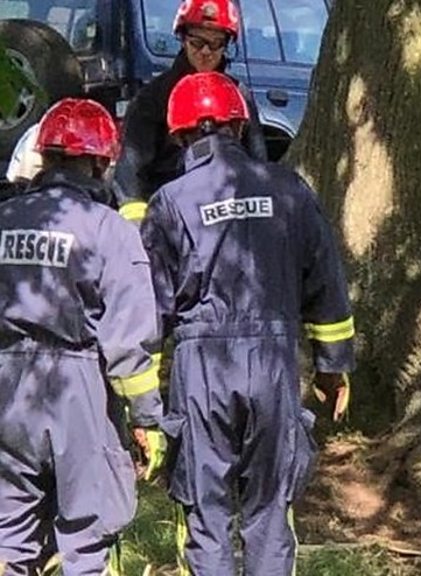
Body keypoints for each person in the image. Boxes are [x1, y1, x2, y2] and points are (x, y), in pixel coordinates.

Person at [140, 71, 354, 575]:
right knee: (270, 511)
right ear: (240, 128)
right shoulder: (289, 189)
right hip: (275, 365)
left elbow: (151, 308)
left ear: (180, 135)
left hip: (202, 369)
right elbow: (326, 279)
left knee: (206, 512)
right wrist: (333, 366)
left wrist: (144, 406)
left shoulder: (169, 203)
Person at [0, 98, 166, 575]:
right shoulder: (108, 230)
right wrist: (148, 419)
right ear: (98, 162)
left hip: (9, 392)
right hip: (79, 393)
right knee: (87, 538)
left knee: (9, 537)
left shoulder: (5, 221)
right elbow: (128, 339)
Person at [113, 0, 267, 223]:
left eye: (216, 44)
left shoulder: (239, 95)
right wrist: (141, 228)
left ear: (227, 45)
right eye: (197, 42)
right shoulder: (153, 97)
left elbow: (257, 164)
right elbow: (130, 175)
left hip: (227, 216)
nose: (206, 52)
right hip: (171, 216)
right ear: (183, 40)